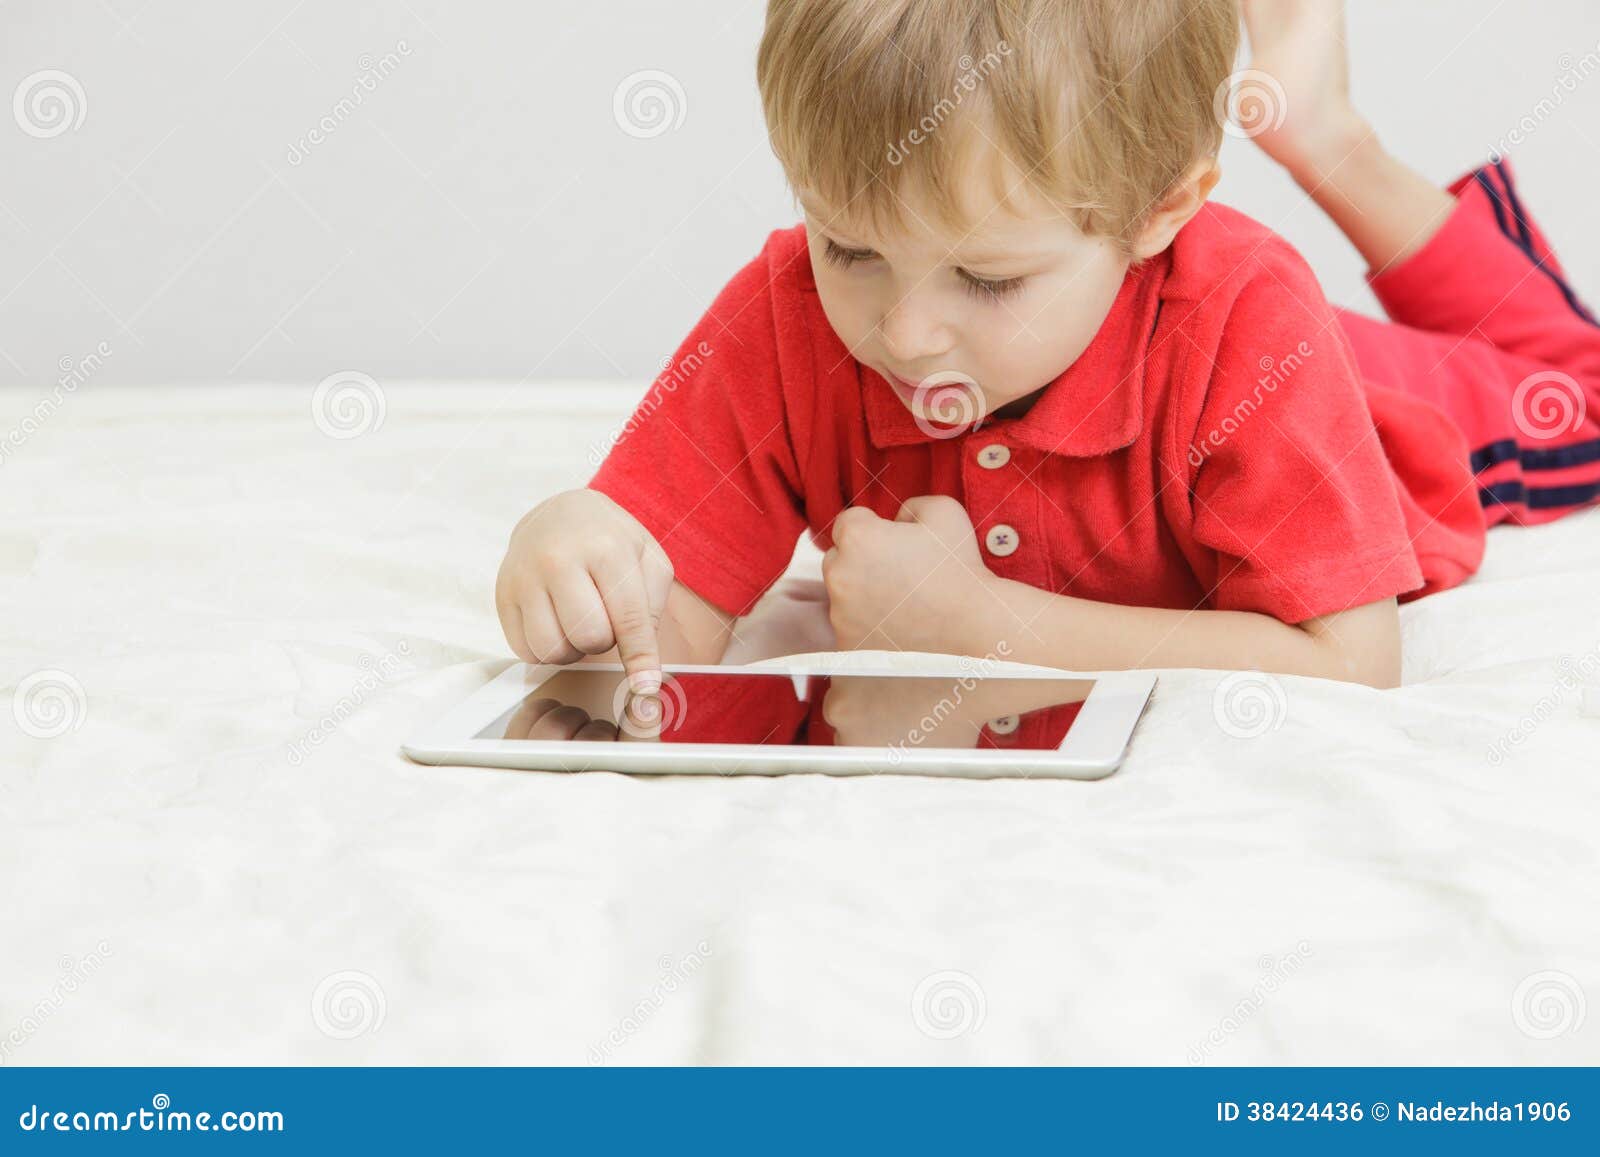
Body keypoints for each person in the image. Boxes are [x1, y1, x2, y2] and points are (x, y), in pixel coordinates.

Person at [495, 0, 1600, 728]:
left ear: (1161, 211)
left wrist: (986, 630)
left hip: (1366, 397)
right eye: (851, 247)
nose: (906, 331)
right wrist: (580, 573)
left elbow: (1353, 664)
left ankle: (1324, 133)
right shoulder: (787, 314)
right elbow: (665, 627)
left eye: (986, 279)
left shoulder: (1255, 319)